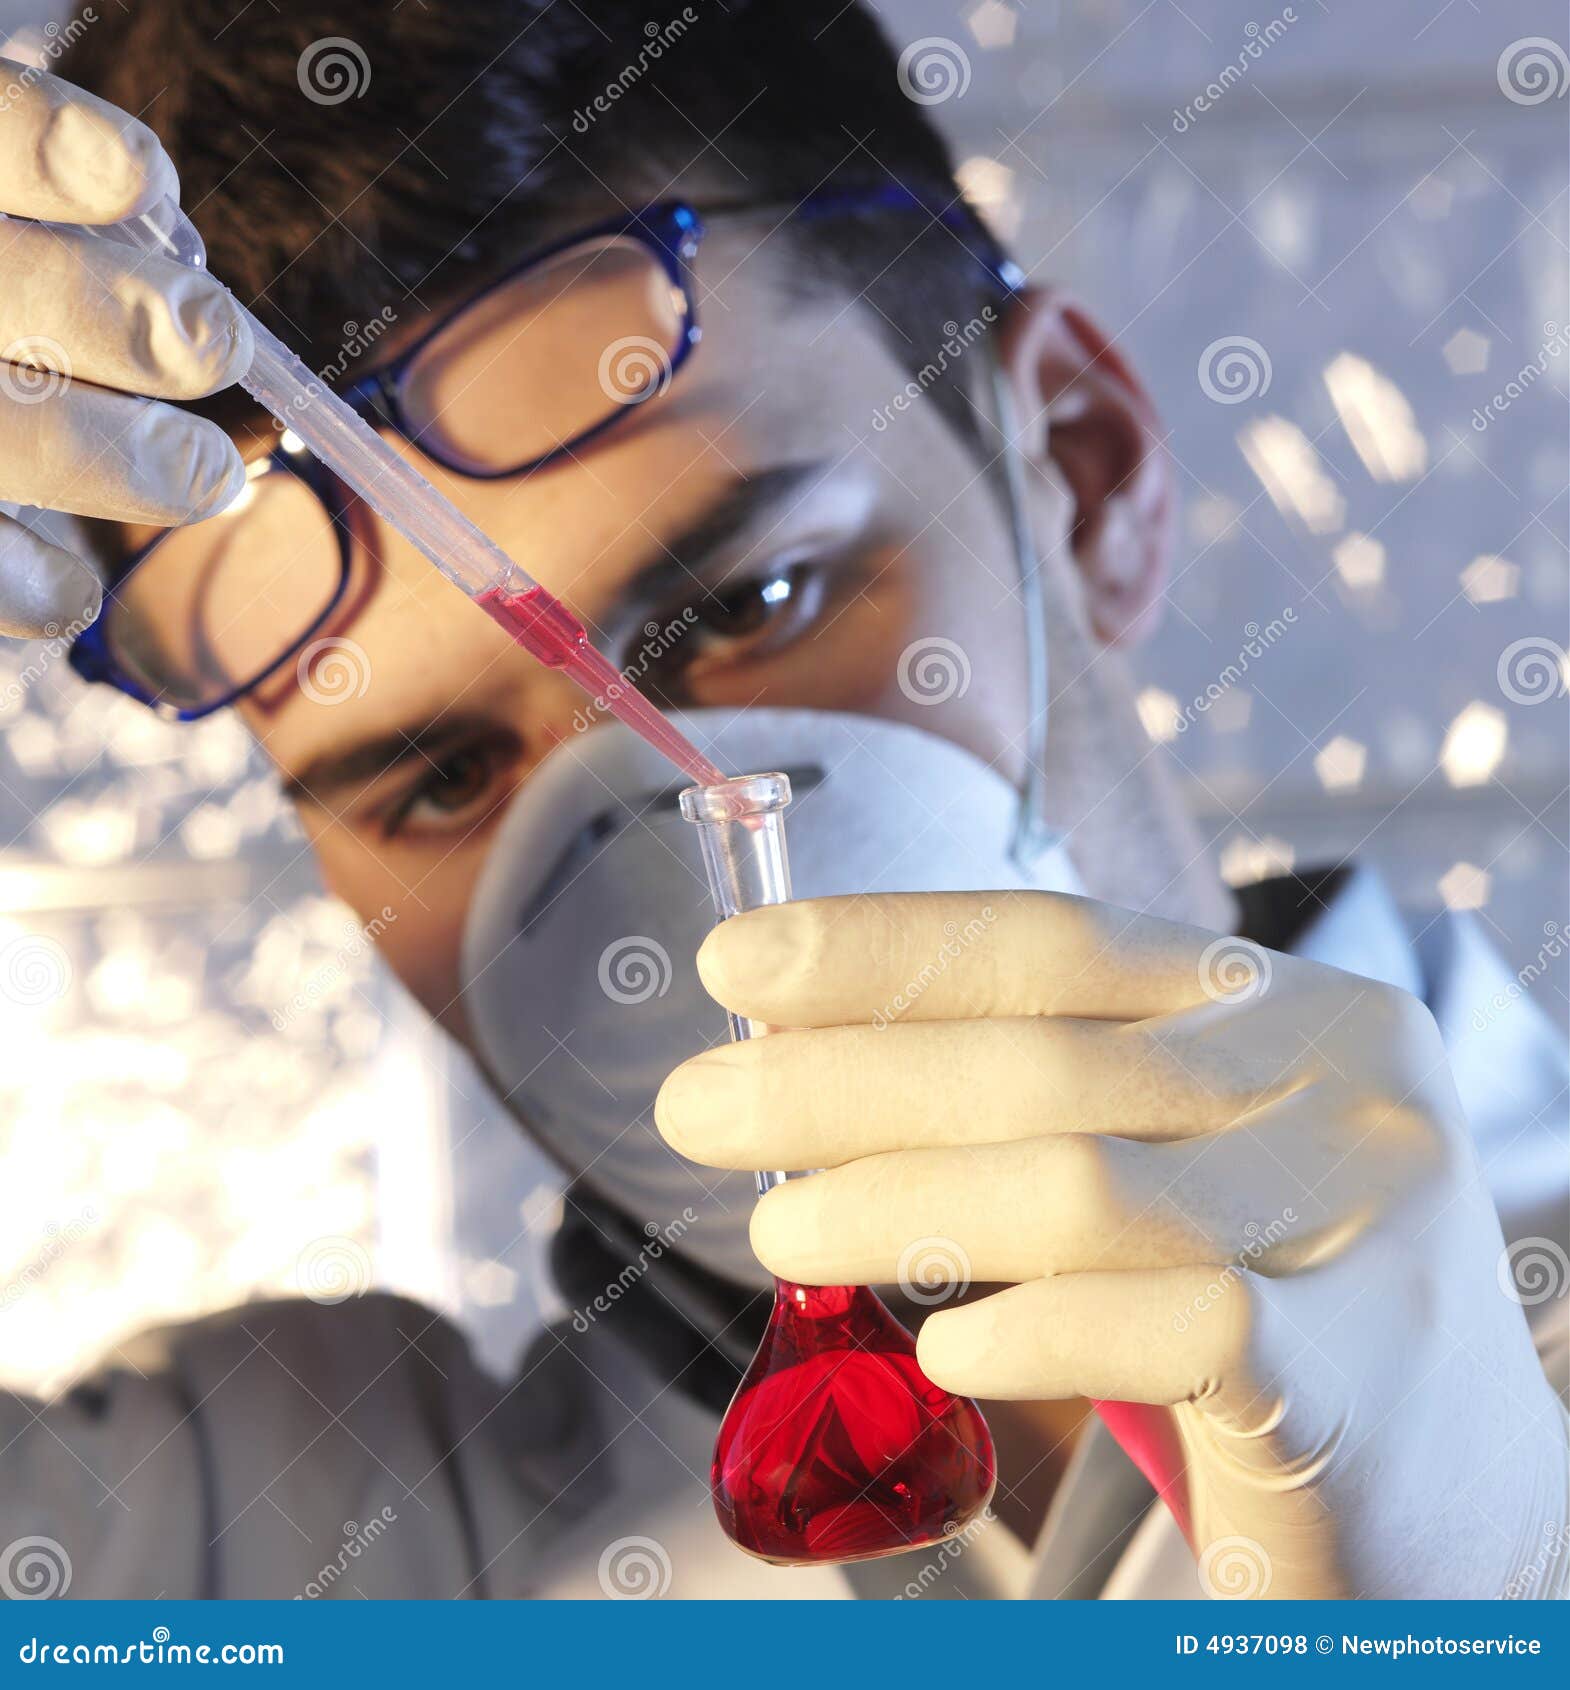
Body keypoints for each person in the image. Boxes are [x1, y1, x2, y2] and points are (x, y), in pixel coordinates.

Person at [0, 1, 1563, 1601]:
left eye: (748, 605)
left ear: (1081, 473)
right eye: (442, 776)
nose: (662, 858)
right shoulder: (250, 1540)